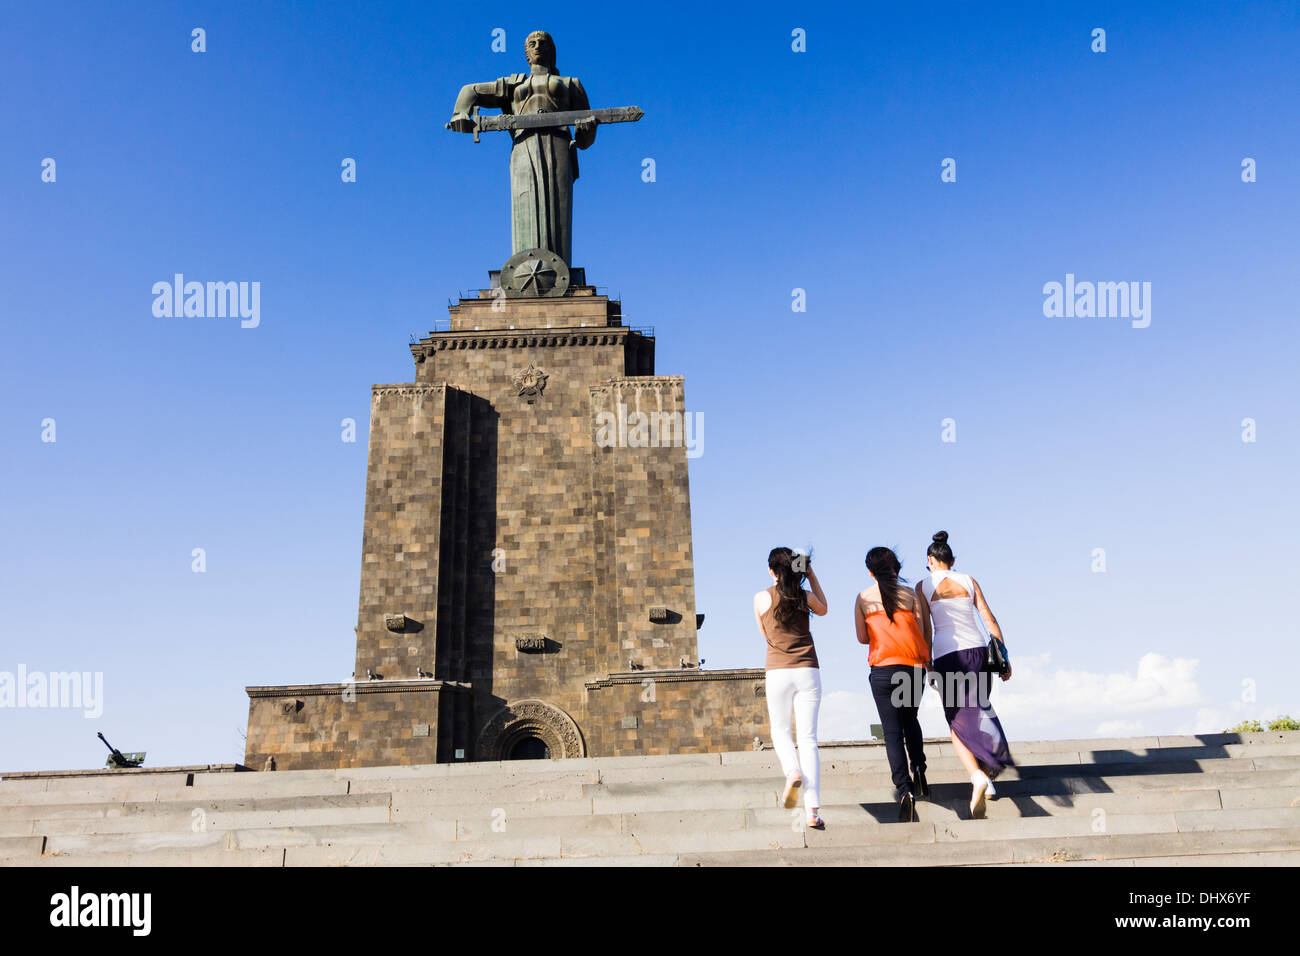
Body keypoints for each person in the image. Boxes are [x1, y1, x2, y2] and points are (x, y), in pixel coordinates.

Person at [916, 531, 1015, 819]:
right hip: (978, 653)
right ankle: (990, 780)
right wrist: (1004, 658)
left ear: (930, 560)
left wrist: (927, 665)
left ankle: (977, 776)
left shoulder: (922, 586)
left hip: (947, 655)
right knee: (979, 709)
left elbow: (926, 630)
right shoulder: (969, 581)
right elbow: (990, 619)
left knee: (957, 720)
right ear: (953, 560)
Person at [855, 547, 933, 822]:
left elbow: (862, 638)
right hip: (912, 668)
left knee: (891, 732)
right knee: (910, 720)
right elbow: (924, 631)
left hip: (883, 670)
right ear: (896, 568)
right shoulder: (911, 595)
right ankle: (920, 770)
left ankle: (904, 790)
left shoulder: (863, 598)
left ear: (870, 571)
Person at [754, 547, 828, 828]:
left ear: (772, 571)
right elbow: (824, 607)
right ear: (795, 569)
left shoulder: (761, 598)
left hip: (778, 671)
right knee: (808, 739)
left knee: (780, 731)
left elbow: (765, 637)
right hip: (808, 668)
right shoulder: (804, 595)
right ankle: (812, 812)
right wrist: (810, 574)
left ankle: (791, 770)